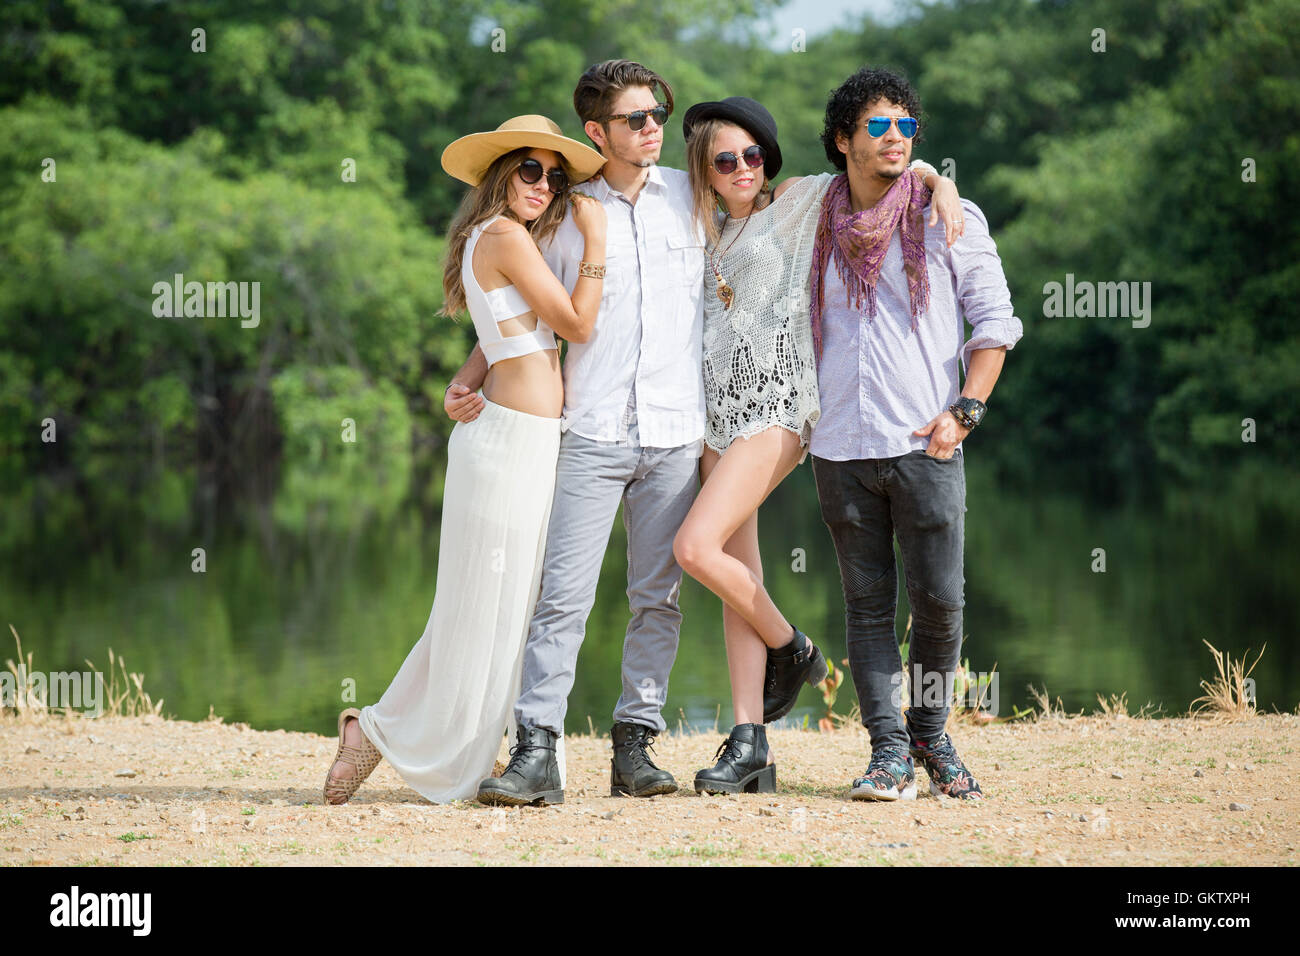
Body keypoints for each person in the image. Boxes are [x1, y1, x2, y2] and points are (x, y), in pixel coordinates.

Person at [675, 96, 965, 794]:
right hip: (713, 417)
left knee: (695, 548)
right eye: (725, 160)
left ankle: (793, 648)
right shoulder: (692, 232)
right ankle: (751, 745)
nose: (743, 167)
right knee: (732, 581)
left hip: (777, 411)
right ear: (704, 171)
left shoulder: (801, 202)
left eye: (752, 155)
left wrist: (937, 176)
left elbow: (882, 169)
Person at [322, 115, 607, 805]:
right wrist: (596, 244)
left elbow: (505, 330)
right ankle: (379, 730)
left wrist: (468, 376)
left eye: (554, 175)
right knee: (485, 606)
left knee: (506, 604)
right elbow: (576, 324)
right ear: (500, 174)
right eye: (529, 170)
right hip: (509, 444)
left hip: (527, 442)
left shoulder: (509, 238)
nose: (543, 184)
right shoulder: (505, 234)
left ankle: (485, 746)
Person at [807, 68, 1023, 801]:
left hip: (927, 441)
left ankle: (930, 732)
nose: (896, 137)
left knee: (940, 602)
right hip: (839, 445)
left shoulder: (947, 217)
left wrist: (965, 411)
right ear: (843, 139)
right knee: (867, 607)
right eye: (878, 125)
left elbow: (994, 324)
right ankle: (888, 752)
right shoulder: (813, 216)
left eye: (907, 127)